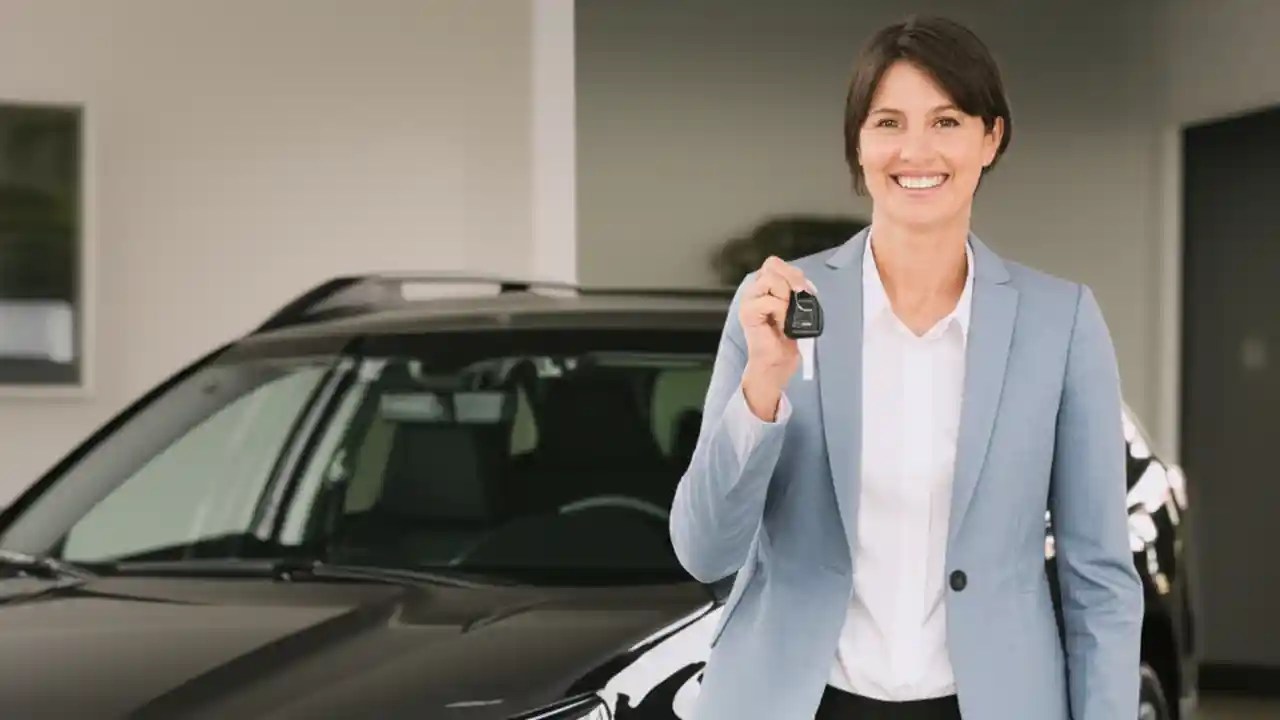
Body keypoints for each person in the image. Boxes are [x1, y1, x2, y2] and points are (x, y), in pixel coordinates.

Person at [669, 15, 1143, 720]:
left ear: (991, 138)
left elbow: (1099, 581)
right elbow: (705, 552)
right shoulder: (777, 304)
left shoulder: (1061, 323)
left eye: (946, 121)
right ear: (858, 146)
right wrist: (762, 386)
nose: (915, 150)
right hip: (796, 702)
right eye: (887, 122)